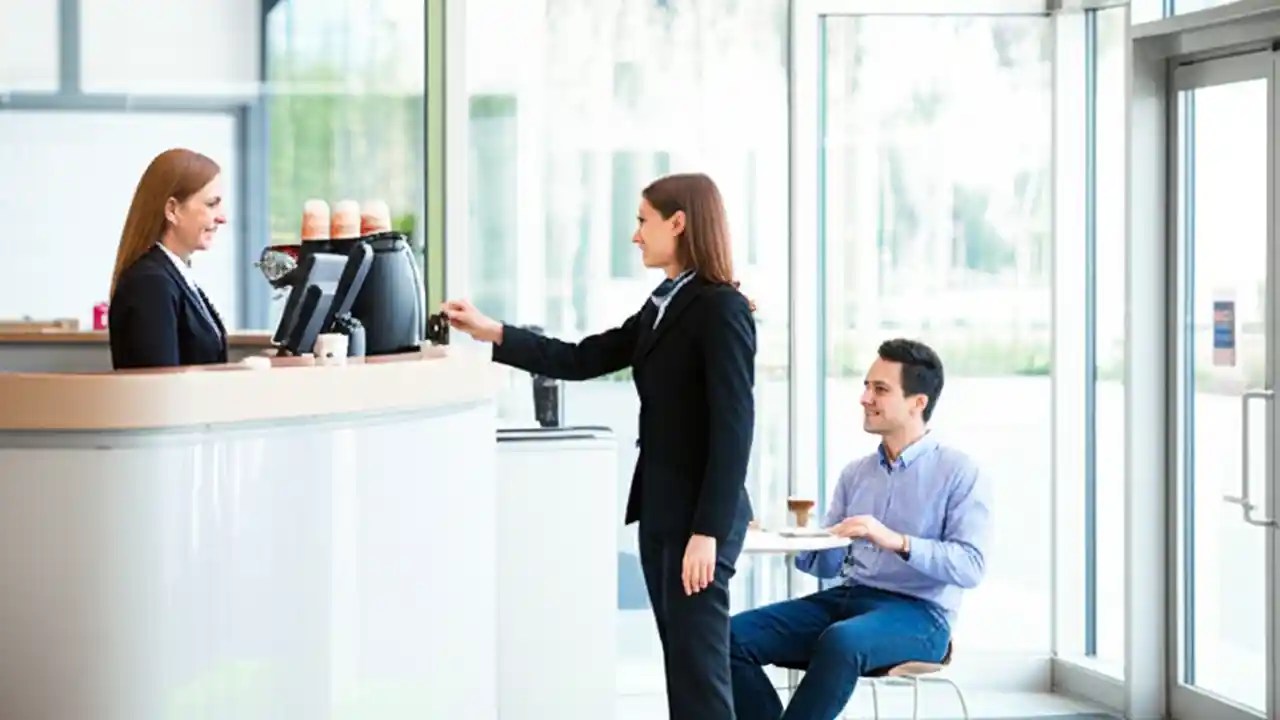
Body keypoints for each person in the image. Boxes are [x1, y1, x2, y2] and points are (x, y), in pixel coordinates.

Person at [443, 172, 756, 719]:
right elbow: (581, 358)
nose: (635, 235)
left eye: (642, 221)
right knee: (685, 675)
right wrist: (491, 331)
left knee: (701, 681)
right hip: (663, 516)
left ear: (678, 223)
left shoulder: (719, 309)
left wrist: (707, 532)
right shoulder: (662, 305)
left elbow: (734, 429)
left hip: (698, 524)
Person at [728, 338, 992, 720]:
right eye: (866, 386)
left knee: (841, 641)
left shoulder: (960, 473)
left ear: (918, 403)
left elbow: (971, 566)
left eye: (880, 389)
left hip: (923, 616)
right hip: (847, 599)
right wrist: (800, 539)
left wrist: (894, 541)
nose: (865, 398)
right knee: (727, 638)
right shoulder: (856, 473)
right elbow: (827, 567)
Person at [108, 148, 228, 370]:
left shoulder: (173, 276)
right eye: (211, 204)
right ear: (173, 210)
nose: (223, 217)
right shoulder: (150, 283)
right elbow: (160, 384)